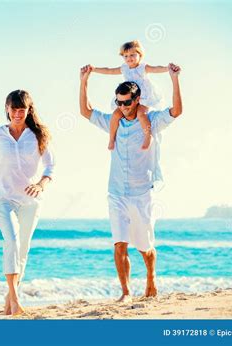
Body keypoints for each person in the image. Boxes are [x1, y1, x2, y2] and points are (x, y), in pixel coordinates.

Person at [79, 62, 182, 302]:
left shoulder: (152, 120)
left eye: (127, 102)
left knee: (145, 246)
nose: (123, 107)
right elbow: (86, 111)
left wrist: (175, 79)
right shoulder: (114, 122)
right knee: (119, 244)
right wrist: (84, 81)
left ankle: (151, 278)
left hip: (142, 193)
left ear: (137, 100)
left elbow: (176, 110)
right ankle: (126, 292)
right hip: (116, 194)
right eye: (119, 102)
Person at [0, 90, 55, 315]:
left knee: (23, 250)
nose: (17, 114)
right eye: (14, 109)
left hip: (30, 200)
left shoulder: (38, 135)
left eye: (22, 110)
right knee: (12, 241)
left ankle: (9, 298)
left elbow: (50, 167)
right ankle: (16, 299)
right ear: (7, 108)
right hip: (3, 197)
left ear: (29, 110)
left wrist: (40, 185)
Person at [91, 40, 169, 150]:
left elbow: (156, 68)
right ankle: (111, 138)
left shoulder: (142, 67)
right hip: (128, 96)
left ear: (140, 55)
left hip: (143, 96)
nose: (129, 58)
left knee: (141, 114)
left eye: (132, 55)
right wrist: (94, 69)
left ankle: (148, 136)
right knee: (116, 115)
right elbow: (109, 71)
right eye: (126, 56)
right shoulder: (124, 68)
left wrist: (167, 68)